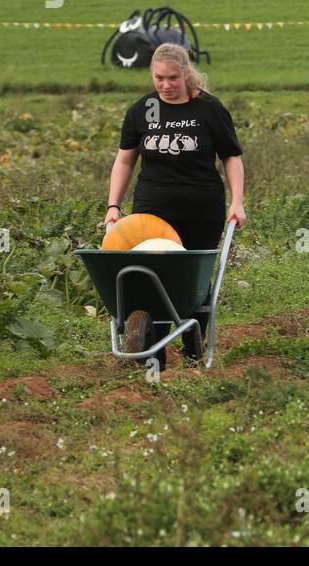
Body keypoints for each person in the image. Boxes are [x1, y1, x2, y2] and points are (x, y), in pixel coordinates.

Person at [103, 43, 246, 362]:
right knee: (151, 271)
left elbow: (231, 158)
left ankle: (194, 340)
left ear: (187, 74)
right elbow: (125, 161)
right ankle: (154, 345)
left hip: (201, 209)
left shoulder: (209, 108)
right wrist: (114, 205)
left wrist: (238, 201)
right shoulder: (142, 110)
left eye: (173, 78)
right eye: (159, 78)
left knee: (191, 277)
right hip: (152, 209)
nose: (166, 85)